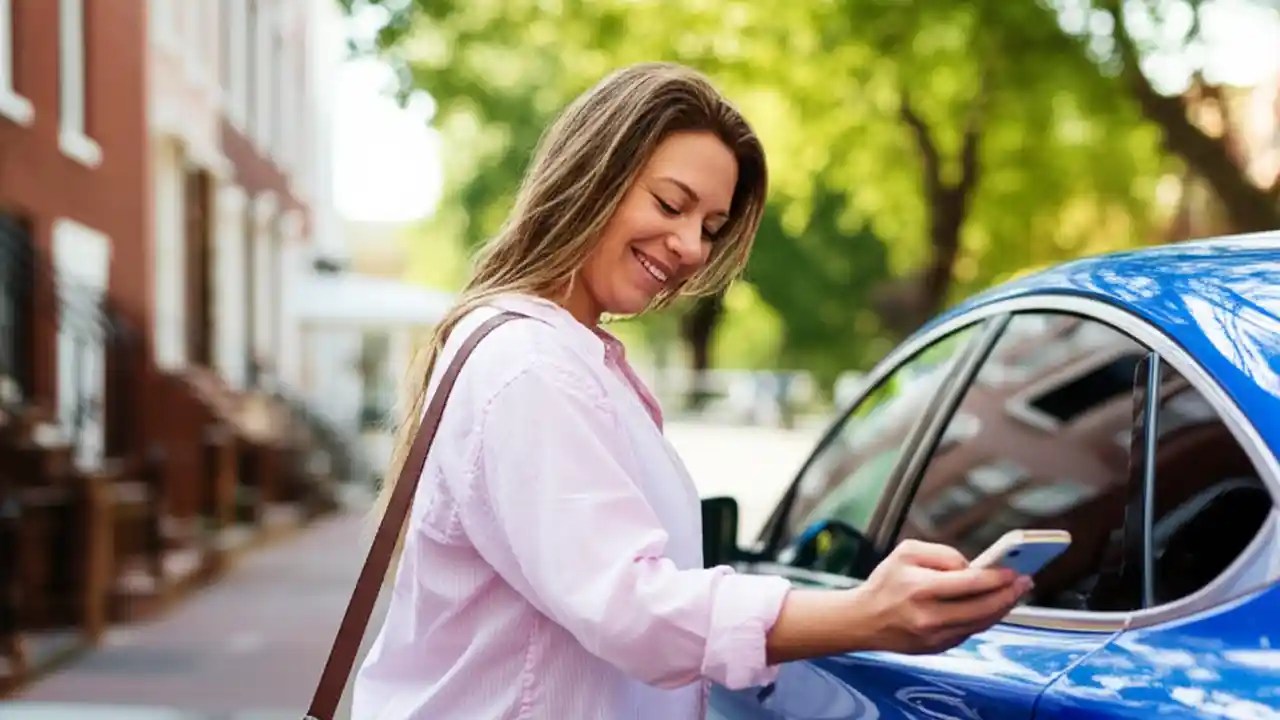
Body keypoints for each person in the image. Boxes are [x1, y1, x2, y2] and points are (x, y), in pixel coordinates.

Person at [352, 62, 1031, 720]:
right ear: (593, 174)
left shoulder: (554, 354)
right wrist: (868, 615)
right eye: (671, 204)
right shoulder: (531, 366)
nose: (691, 248)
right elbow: (630, 607)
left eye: (710, 227)